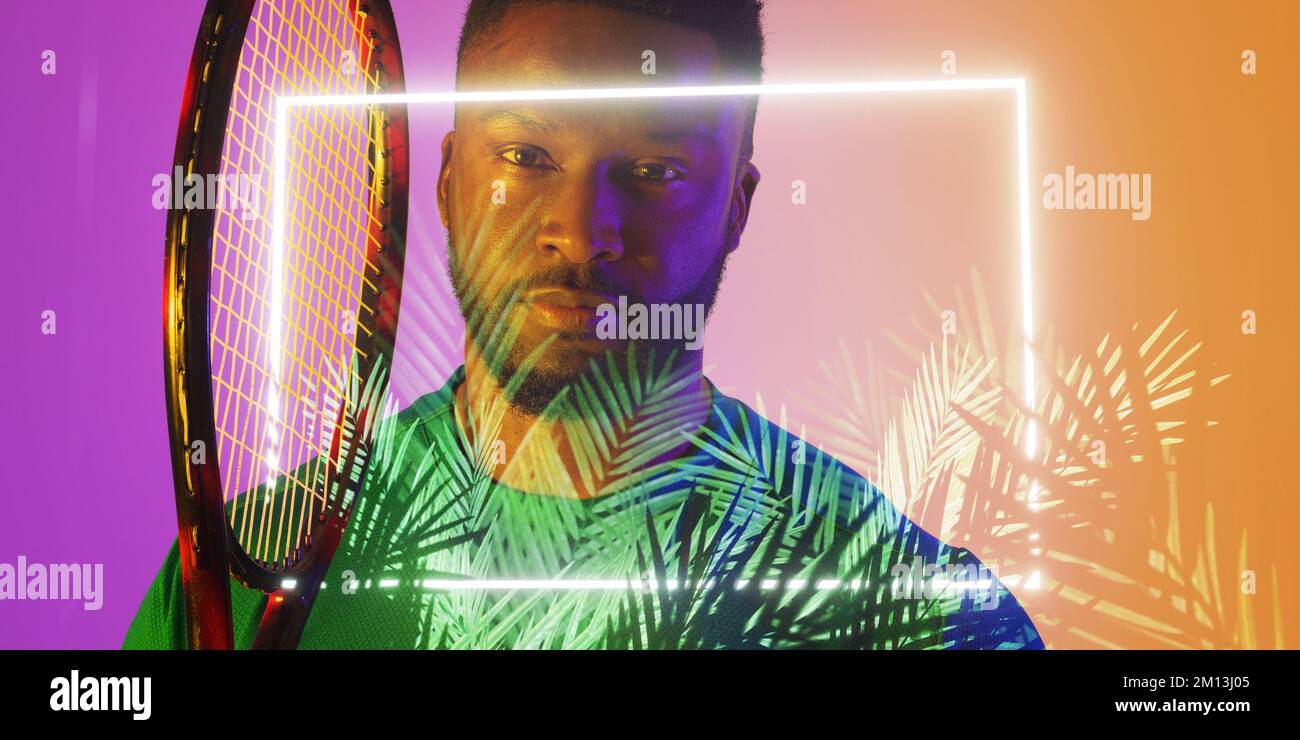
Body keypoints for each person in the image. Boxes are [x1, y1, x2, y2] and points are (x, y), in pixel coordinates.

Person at [125, 0, 1042, 649]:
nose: (581, 233)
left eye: (653, 171)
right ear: (447, 181)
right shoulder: (242, 574)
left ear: (736, 206)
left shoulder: (903, 608)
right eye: (525, 156)